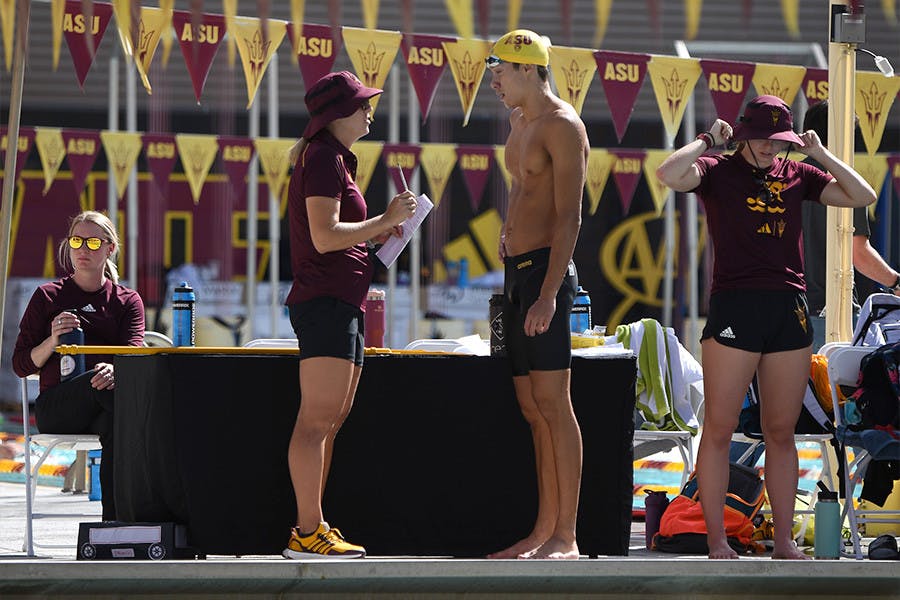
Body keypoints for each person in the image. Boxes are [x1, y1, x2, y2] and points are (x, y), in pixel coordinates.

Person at [656, 95, 876, 559]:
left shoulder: (798, 174)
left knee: (781, 431)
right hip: (736, 305)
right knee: (720, 426)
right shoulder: (717, 171)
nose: (768, 149)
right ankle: (716, 539)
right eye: (759, 138)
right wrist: (705, 141)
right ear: (742, 134)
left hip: (788, 308)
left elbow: (862, 195)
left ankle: (781, 543)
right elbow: (668, 175)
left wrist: (818, 152)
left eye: (778, 141)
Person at [282, 71, 416, 559]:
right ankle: (306, 531)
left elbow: (339, 235)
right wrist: (384, 221)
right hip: (325, 303)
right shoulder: (321, 158)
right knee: (316, 421)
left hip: (343, 299)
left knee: (330, 422)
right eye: (361, 105)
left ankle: (314, 527)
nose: (369, 112)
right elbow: (323, 236)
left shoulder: (333, 159)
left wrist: (381, 235)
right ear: (337, 114)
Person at [485, 29, 589, 560]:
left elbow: (569, 215)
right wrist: (506, 229)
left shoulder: (563, 127)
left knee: (554, 403)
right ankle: (542, 529)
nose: (495, 83)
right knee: (531, 406)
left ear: (529, 68)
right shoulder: (518, 122)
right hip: (515, 275)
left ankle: (566, 535)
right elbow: (521, 189)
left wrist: (550, 294)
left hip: (547, 276)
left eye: (499, 71)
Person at [12, 210, 145, 522]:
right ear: (68, 246)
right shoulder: (48, 296)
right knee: (105, 393)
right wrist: (53, 340)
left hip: (104, 409)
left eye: (93, 242)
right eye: (77, 241)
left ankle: (114, 523)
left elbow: (134, 357)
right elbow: (20, 365)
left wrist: (119, 370)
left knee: (114, 420)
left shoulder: (126, 301)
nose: (83, 249)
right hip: (57, 408)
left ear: (110, 248)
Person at [801, 100, 900, 351]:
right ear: (842, 136)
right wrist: (896, 283)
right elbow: (859, 253)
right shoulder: (848, 184)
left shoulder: (790, 175)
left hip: (788, 307)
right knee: (839, 389)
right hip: (833, 310)